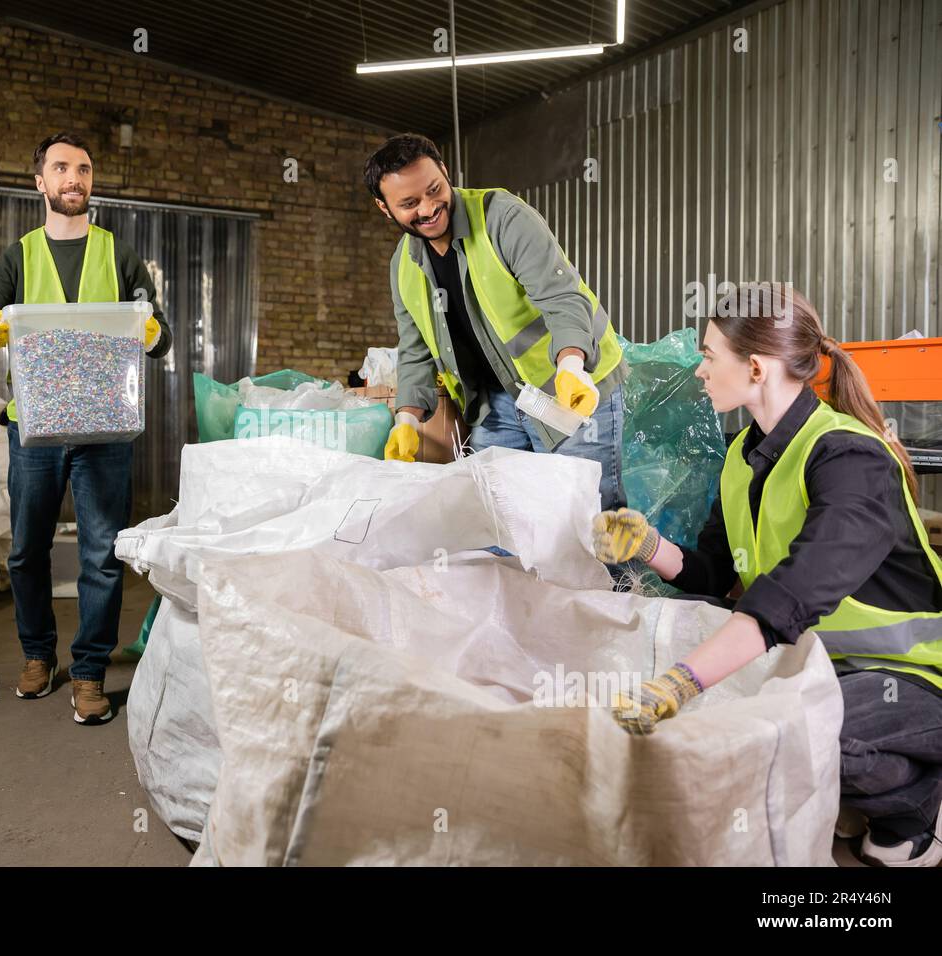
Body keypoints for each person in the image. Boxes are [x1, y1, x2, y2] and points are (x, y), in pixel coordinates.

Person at [592, 283, 942, 867]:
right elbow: (710, 572)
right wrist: (648, 546)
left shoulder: (850, 458)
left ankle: (912, 800)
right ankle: (854, 775)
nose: (700, 370)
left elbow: (793, 593)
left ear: (755, 368)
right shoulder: (741, 458)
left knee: (780, 732)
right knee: (756, 727)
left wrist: (681, 683)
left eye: (708, 355)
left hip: (909, 675)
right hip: (813, 664)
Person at [0, 131, 172, 725]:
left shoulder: (120, 255)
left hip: (105, 433)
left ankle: (88, 672)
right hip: (34, 434)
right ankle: (37, 655)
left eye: (82, 168)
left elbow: (162, 337)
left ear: (90, 180)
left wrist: (152, 332)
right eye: (60, 168)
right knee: (27, 552)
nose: (72, 178)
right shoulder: (18, 258)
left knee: (101, 557)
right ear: (40, 183)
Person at [364, 133, 628, 510]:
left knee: (590, 522)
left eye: (434, 189)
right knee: (498, 522)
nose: (428, 208)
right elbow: (415, 350)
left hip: (567, 390)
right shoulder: (403, 265)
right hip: (494, 405)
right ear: (384, 207)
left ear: (444, 170)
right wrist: (406, 419)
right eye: (408, 203)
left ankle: (623, 575)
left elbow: (561, 297)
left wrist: (572, 364)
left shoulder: (502, 217)